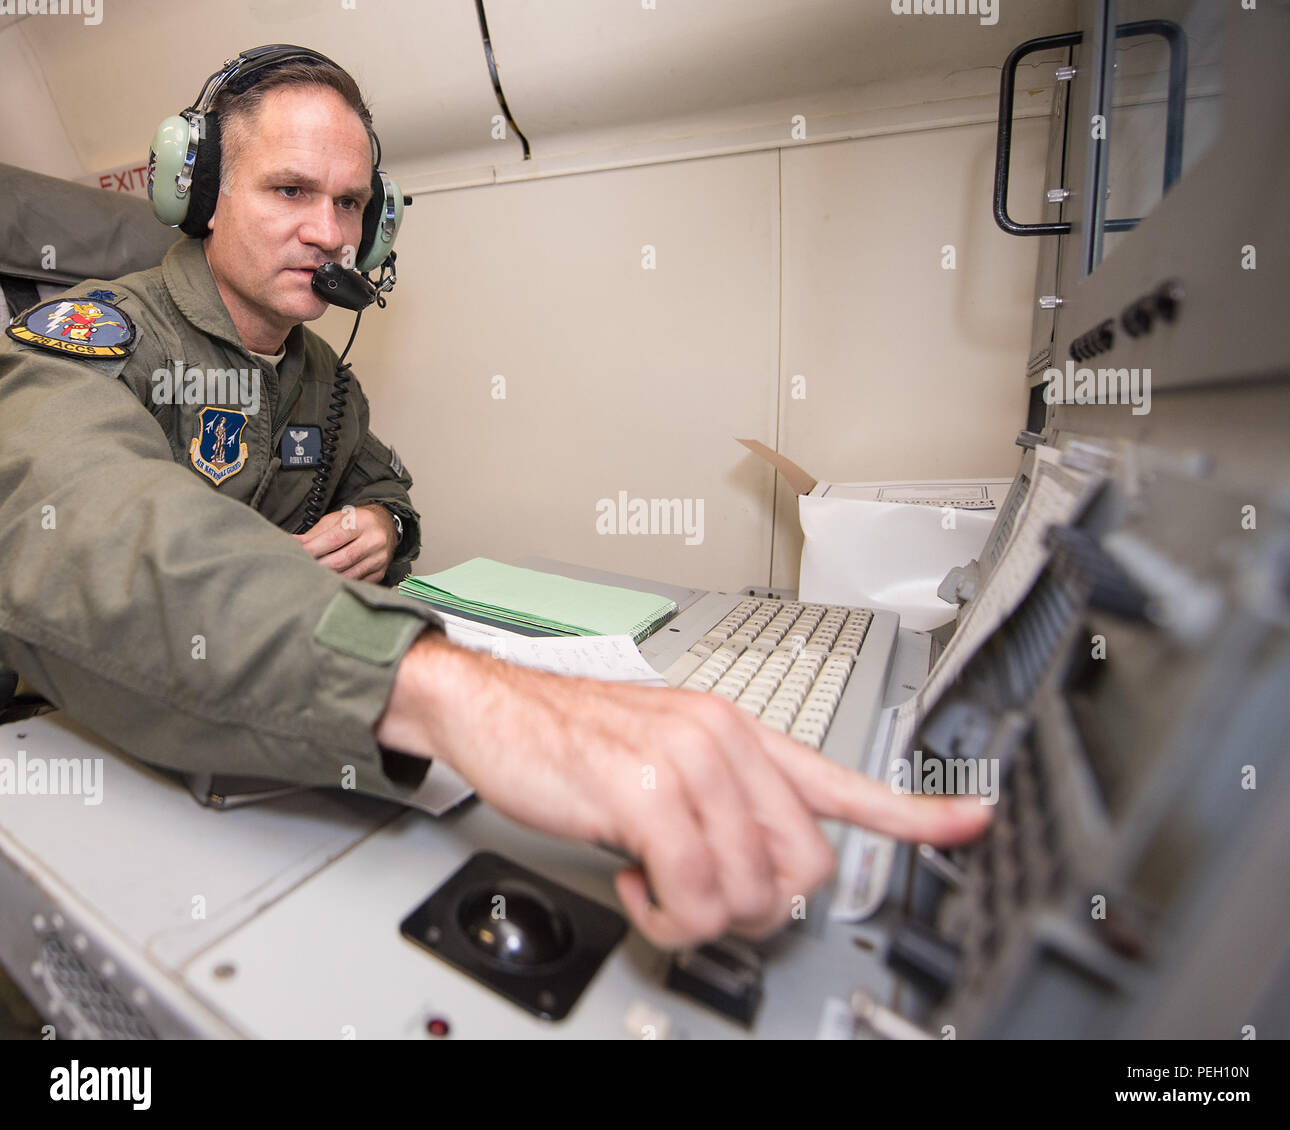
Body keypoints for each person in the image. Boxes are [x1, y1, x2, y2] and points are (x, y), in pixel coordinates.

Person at [0, 48, 990, 952]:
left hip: (271, 736)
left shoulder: (315, 376)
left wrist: (383, 524)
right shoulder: (89, 336)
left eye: (350, 204)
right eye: (290, 190)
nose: (327, 232)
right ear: (202, 194)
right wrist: (452, 693)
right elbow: (95, 524)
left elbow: (384, 484)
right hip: (81, 741)